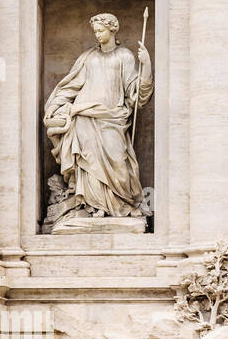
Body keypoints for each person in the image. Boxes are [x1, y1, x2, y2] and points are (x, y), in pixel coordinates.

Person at [43, 12, 153, 219]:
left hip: (113, 117)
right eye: (95, 31)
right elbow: (71, 86)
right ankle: (93, 206)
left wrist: (145, 65)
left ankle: (119, 203)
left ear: (112, 30)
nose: (97, 35)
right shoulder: (88, 58)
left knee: (118, 161)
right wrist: (56, 105)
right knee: (89, 162)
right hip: (85, 116)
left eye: (101, 30)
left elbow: (137, 94)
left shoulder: (125, 57)